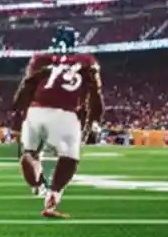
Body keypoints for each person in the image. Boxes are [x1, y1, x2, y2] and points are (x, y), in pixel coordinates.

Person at [11, 26, 104, 218]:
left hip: (35, 110)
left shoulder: (41, 60)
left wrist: (18, 111)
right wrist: (94, 121)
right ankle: (53, 195)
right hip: (65, 113)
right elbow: (96, 94)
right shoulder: (87, 61)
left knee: (30, 153)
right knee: (69, 158)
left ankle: (36, 181)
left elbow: (27, 85)